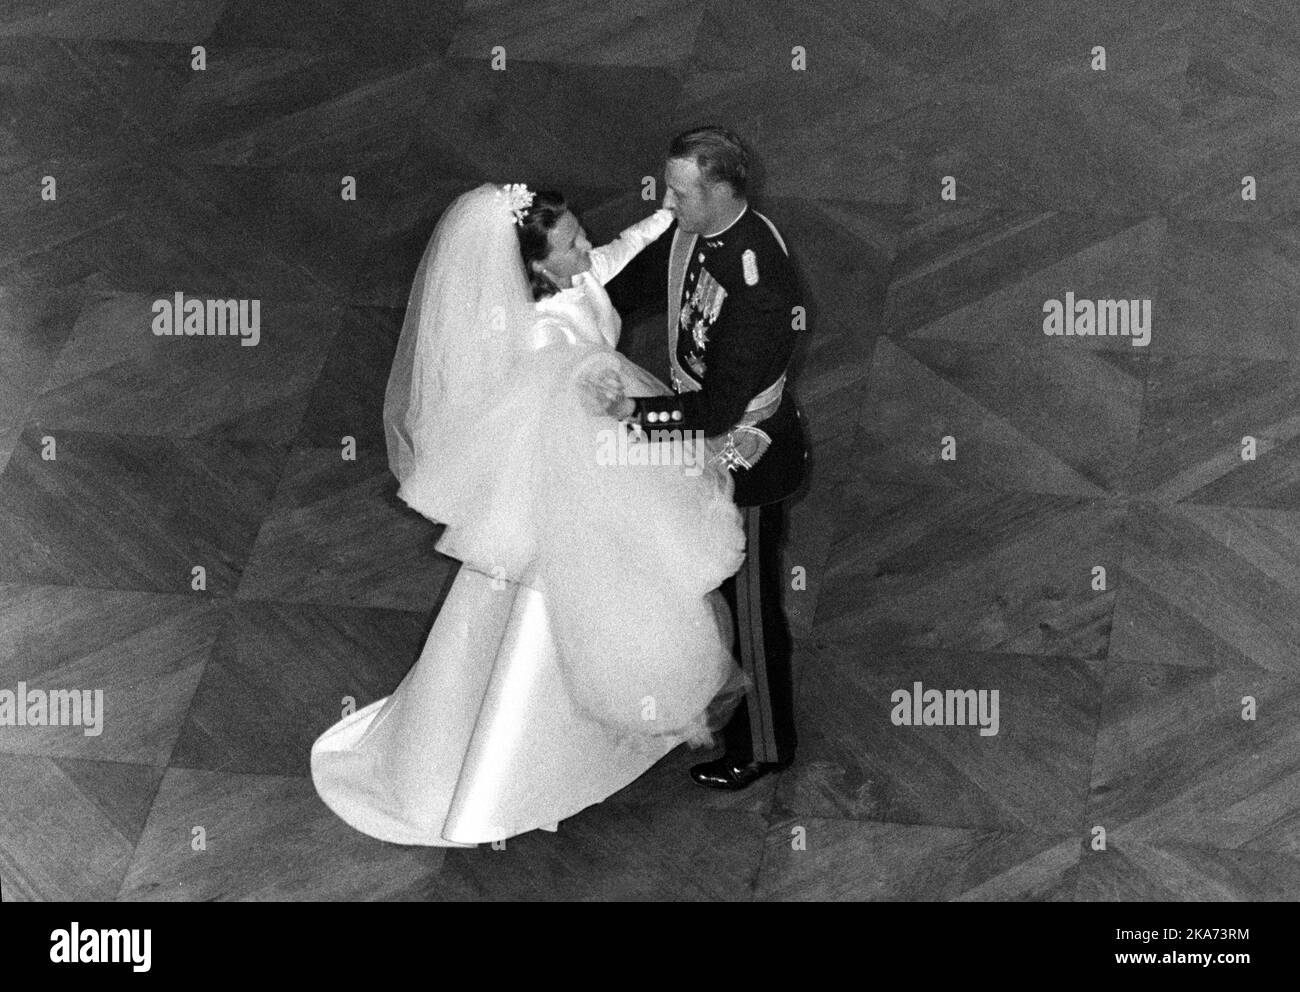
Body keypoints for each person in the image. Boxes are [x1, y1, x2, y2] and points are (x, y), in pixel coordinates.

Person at [310, 183, 746, 846]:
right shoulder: (540, 334)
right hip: (567, 474)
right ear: (538, 266)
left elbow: (617, 253)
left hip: (596, 450)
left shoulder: (573, 276)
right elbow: (569, 425)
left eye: (578, 233)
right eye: (570, 243)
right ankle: (515, 773)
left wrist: (668, 216)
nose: (585, 247)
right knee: (552, 610)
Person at [595, 126, 808, 791]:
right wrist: (573, 308)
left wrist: (634, 417)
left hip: (748, 465)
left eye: (680, 192)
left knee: (752, 608)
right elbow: (632, 285)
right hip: (702, 440)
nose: (667, 201)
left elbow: (718, 413)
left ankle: (766, 744)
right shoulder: (693, 231)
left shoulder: (757, 286)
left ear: (718, 192)